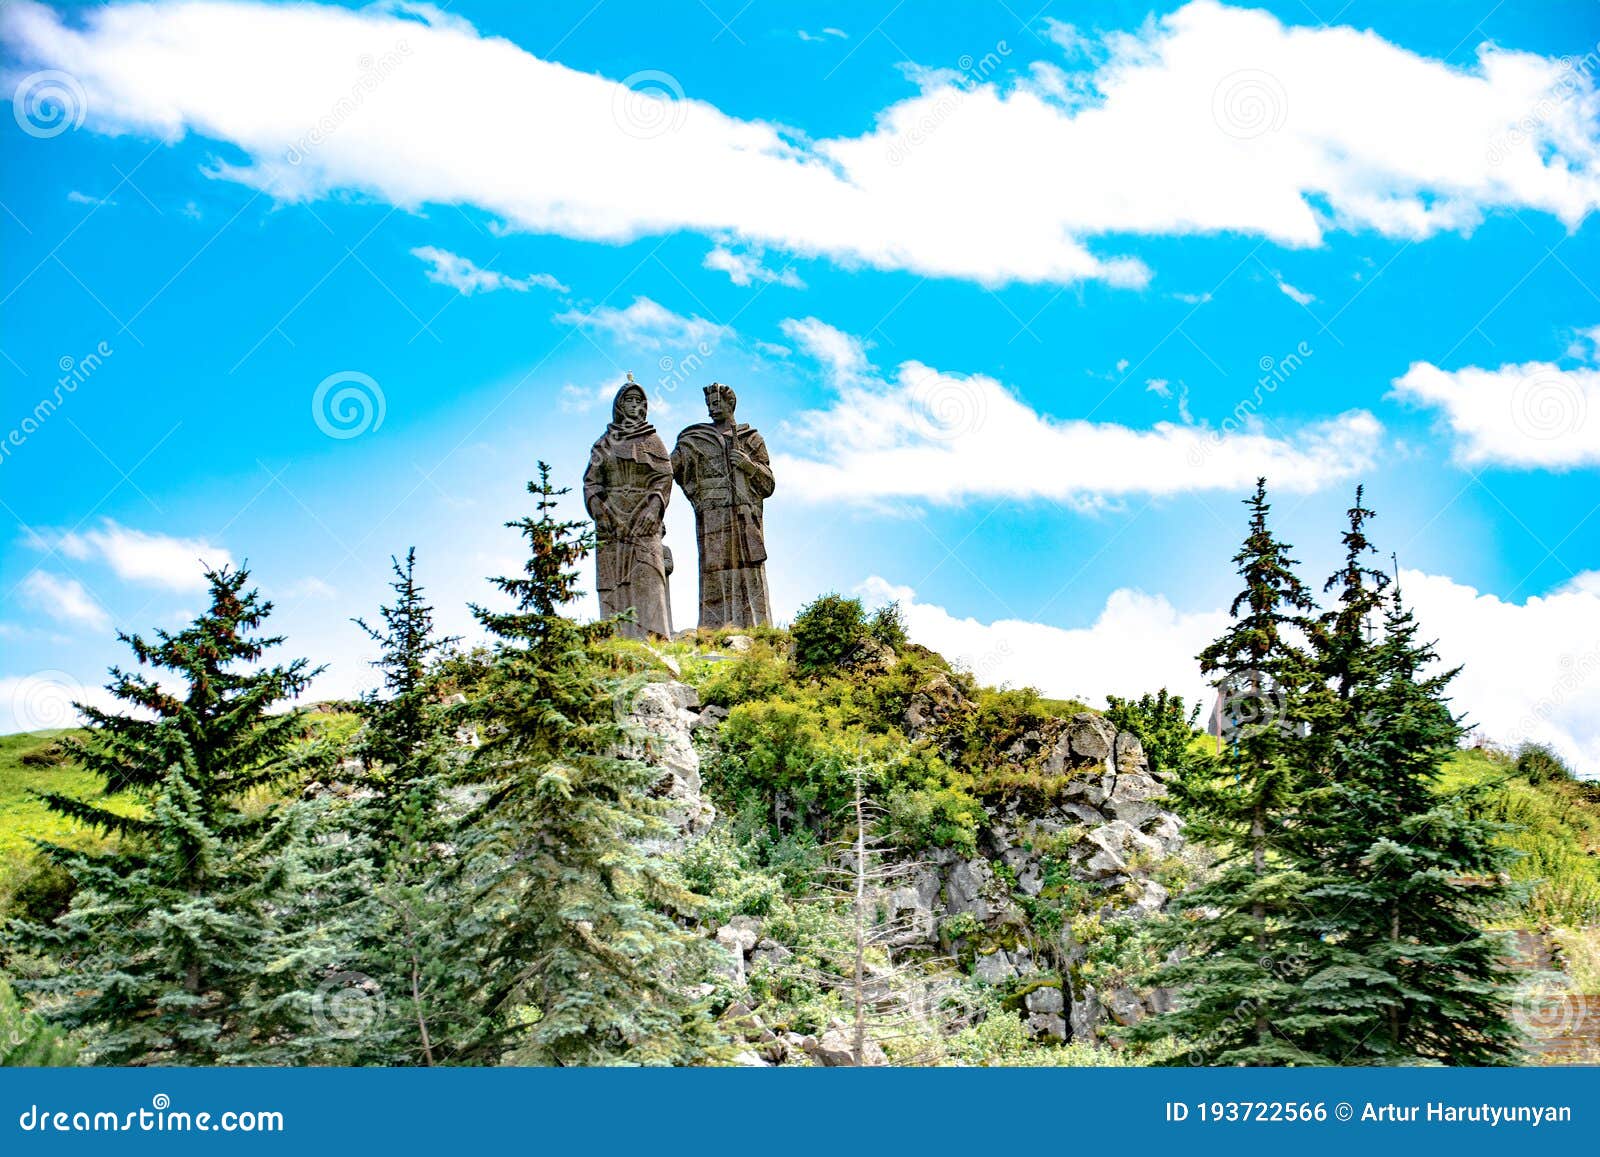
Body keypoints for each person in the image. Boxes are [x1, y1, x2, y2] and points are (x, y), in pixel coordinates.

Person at [671, 382, 775, 628]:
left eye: (716, 403)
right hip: (713, 515)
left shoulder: (751, 438)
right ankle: (714, 628)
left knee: (749, 568)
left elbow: (768, 484)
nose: (711, 409)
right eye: (709, 405)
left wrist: (749, 466)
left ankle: (755, 627)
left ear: (730, 404)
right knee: (714, 569)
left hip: (744, 514)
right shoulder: (695, 438)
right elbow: (671, 467)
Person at [583, 376, 673, 638]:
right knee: (614, 579)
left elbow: (664, 476)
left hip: (643, 517)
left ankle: (653, 637)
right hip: (612, 520)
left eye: (638, 400)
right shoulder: (604, 443)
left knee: (648, 572)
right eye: (629, 400)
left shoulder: (653, 440)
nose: (634, 405)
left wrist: (654, 506)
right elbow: (591, 482)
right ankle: (619, 637)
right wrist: (600, 510)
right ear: (619, 405)